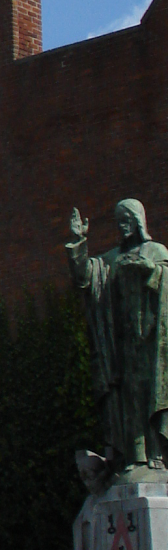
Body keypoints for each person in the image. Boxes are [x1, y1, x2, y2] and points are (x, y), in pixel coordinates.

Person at [68, 199, 168, 476]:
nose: (122, 225)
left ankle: (156, 455)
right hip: (122, 343)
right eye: (118, 220)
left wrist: (150, 271)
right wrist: (78, 243)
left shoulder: (155, 250)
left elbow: (166, 282)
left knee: (151, 395)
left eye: (126, 218)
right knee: (128, 399)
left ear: (138, 220)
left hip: (151, 341)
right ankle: (135, 457)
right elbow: (87, 277)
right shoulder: (112, 259)